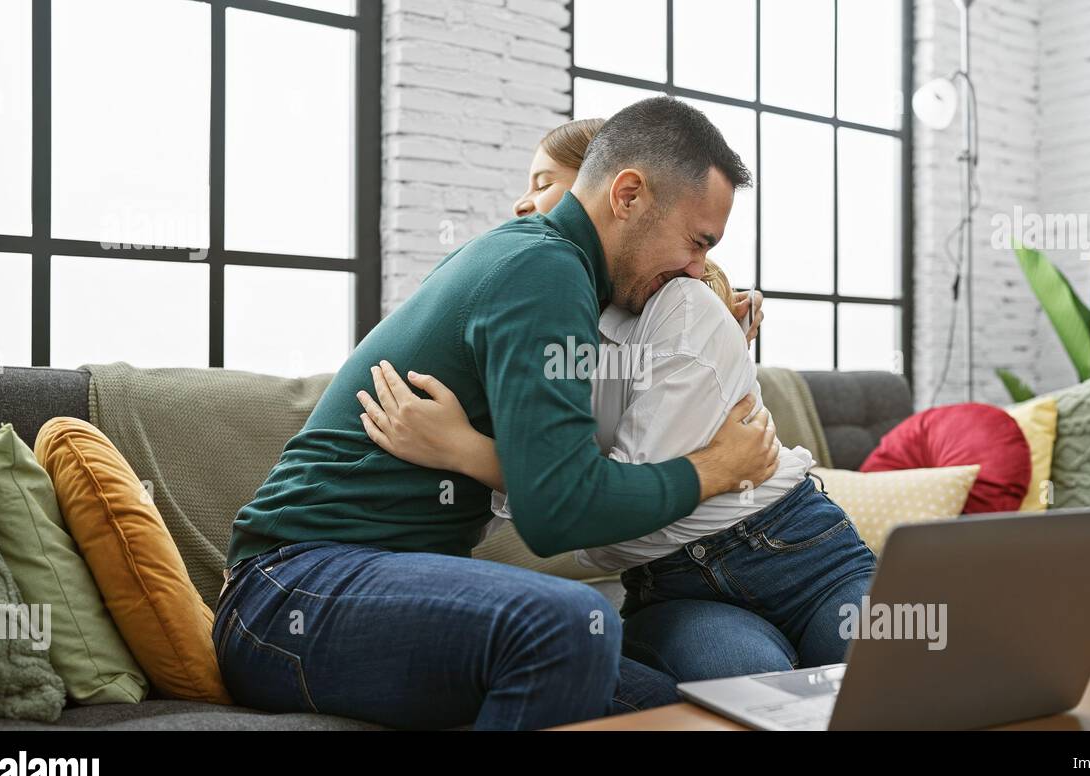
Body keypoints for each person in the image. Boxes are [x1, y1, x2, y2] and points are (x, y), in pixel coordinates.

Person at [215, 97, 773, 731]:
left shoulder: (557, 273)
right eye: (696, 242)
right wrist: (714, 467)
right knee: (560, 622)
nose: (696, 267)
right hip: (293, 590)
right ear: (627, 196)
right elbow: (559, 508)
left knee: (688, 717)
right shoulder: (543, 270)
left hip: (366, 591)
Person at [357, 122, 877, 682]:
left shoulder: (677, 305)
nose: (523, 204)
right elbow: (594, 502)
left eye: (544, 182)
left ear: (617, 194)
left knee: (891, 673)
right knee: (749, 688)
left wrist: (469, 451)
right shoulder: (538, 302)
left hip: (797, 550)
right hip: (672, 585)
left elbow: (605, 523)